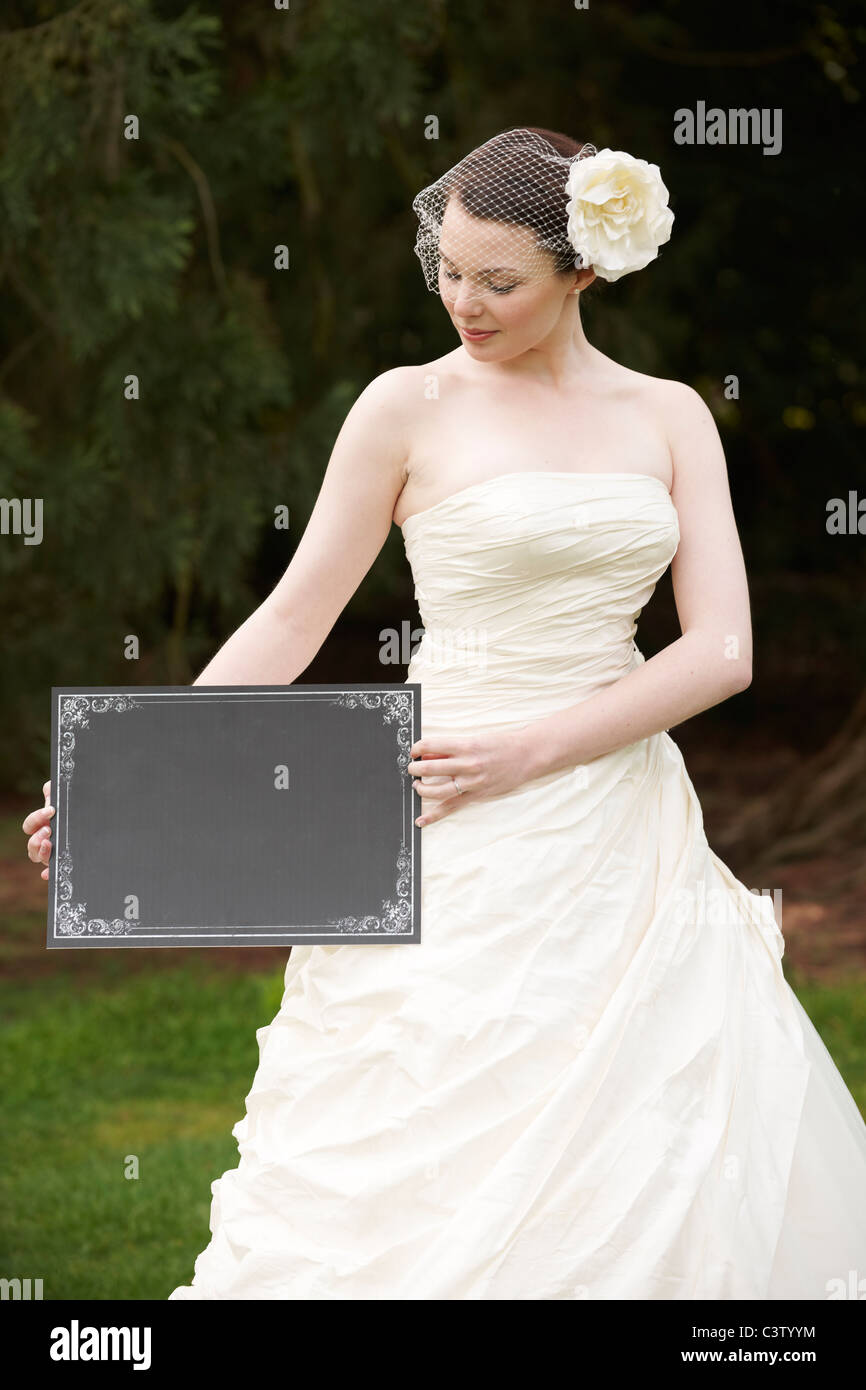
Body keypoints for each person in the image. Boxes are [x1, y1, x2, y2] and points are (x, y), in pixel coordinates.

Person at [24, 127, 866, 1300]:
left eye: (498, 280)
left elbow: (721, 651)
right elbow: (287, 621)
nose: (462, 301)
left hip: (612, 820)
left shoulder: (669, 414)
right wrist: (128, 772)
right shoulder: (403, 406)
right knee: (410, 1128)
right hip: (431, 810)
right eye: (447, 269)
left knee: (651, 1127)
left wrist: (533, 748)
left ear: (583, 270)